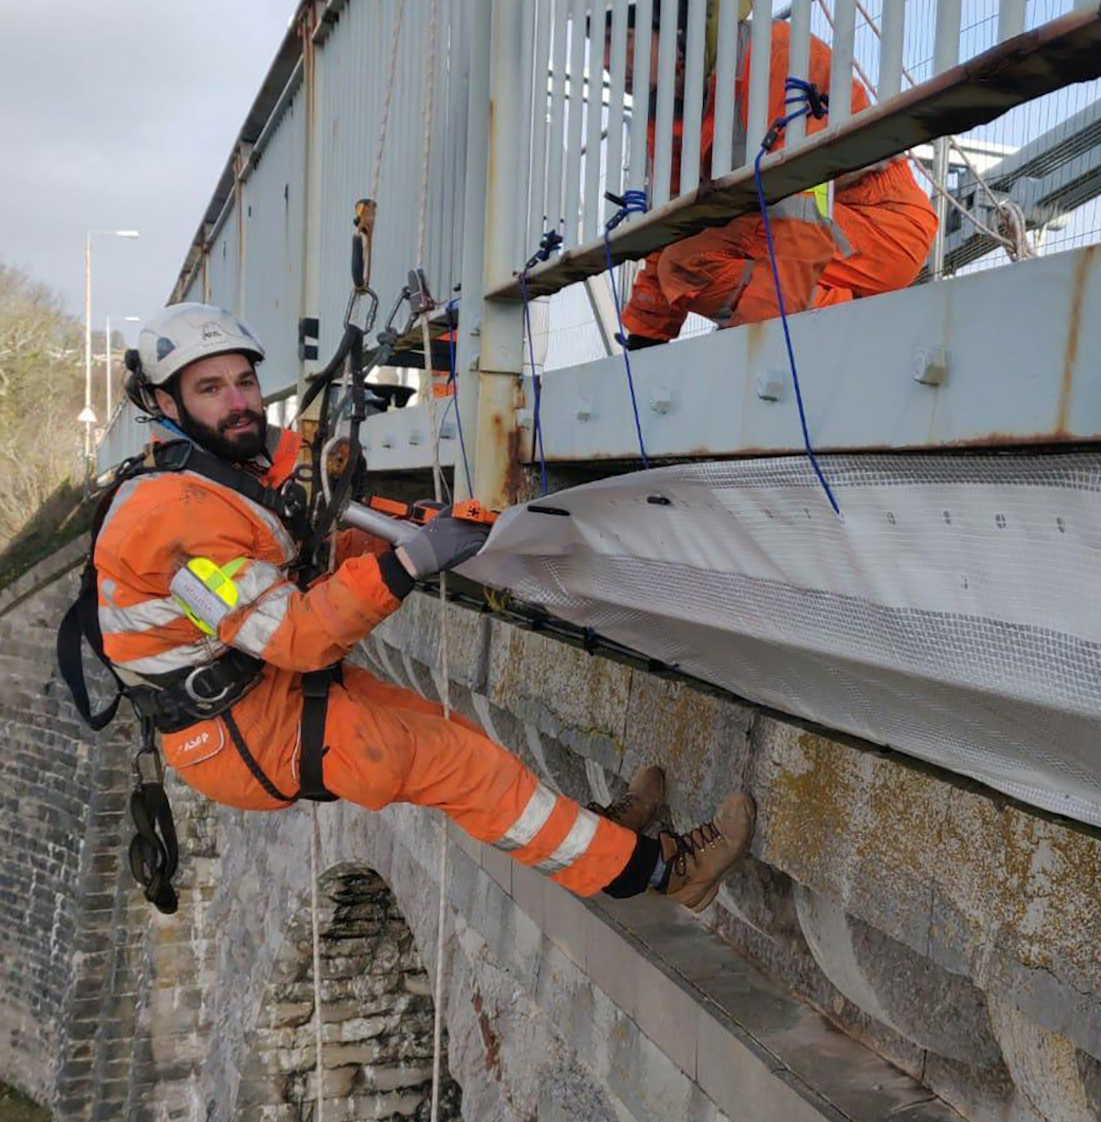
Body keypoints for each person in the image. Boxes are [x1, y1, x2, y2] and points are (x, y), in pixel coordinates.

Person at [75, 303, 753, 908]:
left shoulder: (231, 457)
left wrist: (428, 523)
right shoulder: (170, 520)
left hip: (264, 691)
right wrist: (411, 560)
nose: (240, 401)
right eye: (211, 388)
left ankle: (600, 838)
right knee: (459, 766)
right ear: (165, 401)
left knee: (456, 740)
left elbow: (333, 508)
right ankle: (665, 873)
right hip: (242, 730)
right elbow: (298, 635)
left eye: (245, 381)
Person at [607, 0, 939, 345]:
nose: (606, 61)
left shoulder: (776, 55)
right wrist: (647, 334)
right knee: (682, 260)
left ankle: (842, 326)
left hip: (881, 222)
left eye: (623, 41)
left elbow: (805, 206)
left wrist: (759, 339)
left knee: (690, 260)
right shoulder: (666, 110)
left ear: (673, 28)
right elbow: (673, 223)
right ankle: (827, 316)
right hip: (809, 233)